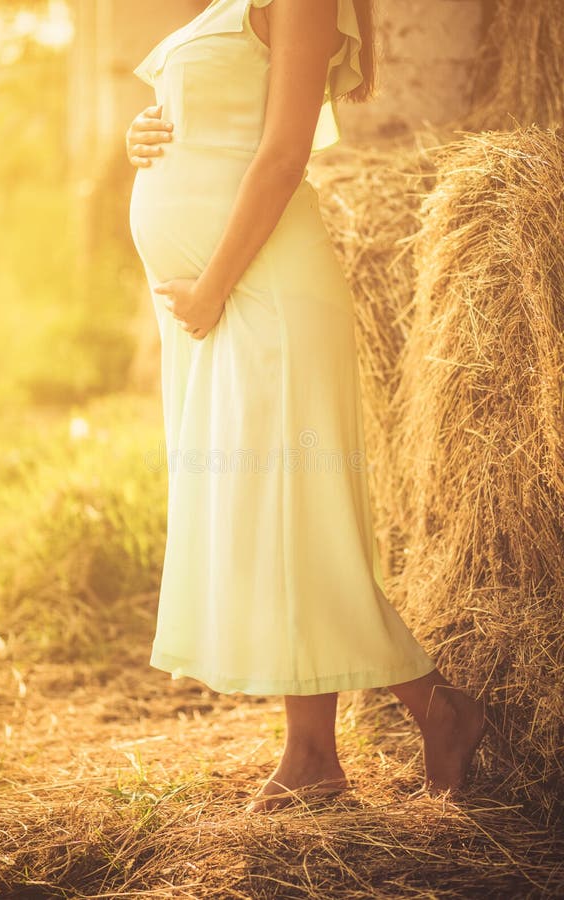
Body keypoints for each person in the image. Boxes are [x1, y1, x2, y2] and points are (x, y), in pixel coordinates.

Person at [126, 0, 490, 813]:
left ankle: (440, 708)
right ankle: (314, 755)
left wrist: (212, 287)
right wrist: (143, 138)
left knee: (299, 521)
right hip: (221, 299)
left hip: (262, 290)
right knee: (271, 525)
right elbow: (214, 115)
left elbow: (286, 152)